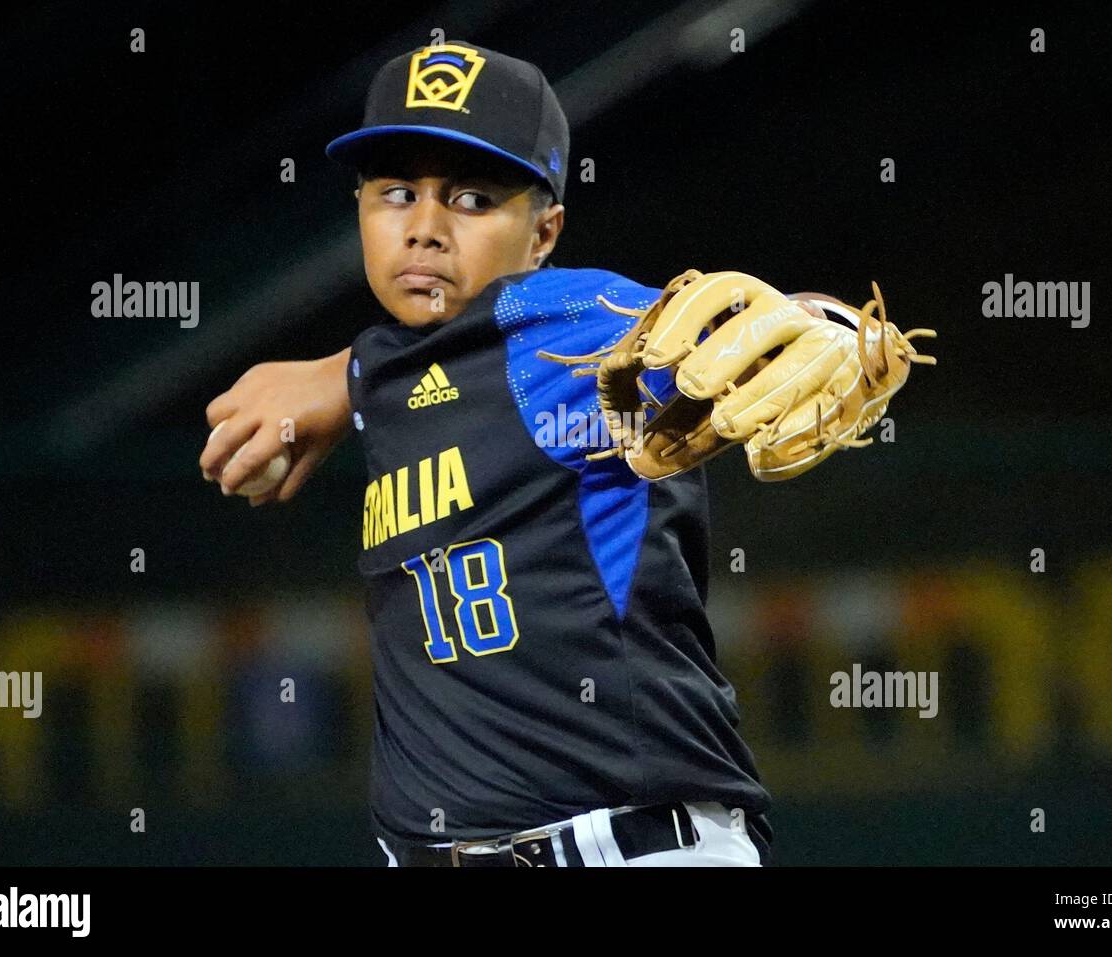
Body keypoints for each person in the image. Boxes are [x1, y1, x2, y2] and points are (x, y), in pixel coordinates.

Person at [202, 41, 799, 867]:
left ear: (544, 230)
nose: (425, 228)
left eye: (473, 198)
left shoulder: (562, 328)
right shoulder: (390, 364)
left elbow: (708, 325)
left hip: (631, 846)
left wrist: (818, 324)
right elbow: (400, 363)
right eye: (397, 193)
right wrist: (335, 380)